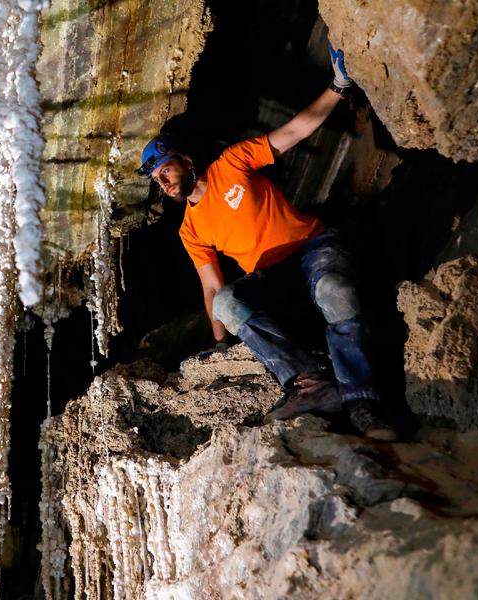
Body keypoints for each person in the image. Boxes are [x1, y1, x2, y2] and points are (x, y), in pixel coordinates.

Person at [137, 45, 397, 441]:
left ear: (185, 161)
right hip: (272, 278)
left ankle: (364, 402)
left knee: (335, 290)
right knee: (226, 302)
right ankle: (310, 385)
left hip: (313, 247)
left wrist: (338, 87)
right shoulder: (190, 228)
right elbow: (212, 287)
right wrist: (220, 342)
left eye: (166, 170)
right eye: (157, 179)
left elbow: (294, 130)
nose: (164, 181)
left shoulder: (232, 164)